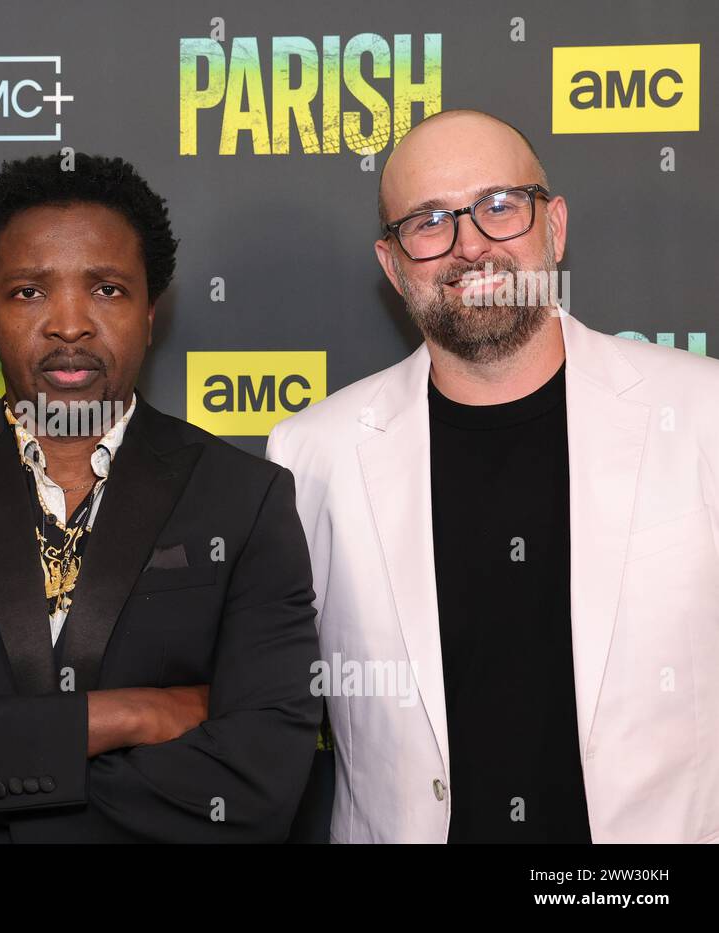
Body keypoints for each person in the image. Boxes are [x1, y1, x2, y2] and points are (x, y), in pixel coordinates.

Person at [0, 153, 320, 842]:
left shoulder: (244, 499)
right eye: (28, 292)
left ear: (151, 313)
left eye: (106, 289)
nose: (69, 324)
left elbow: (258, 784)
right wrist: (128, 715)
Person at [267, 109, 719, 843]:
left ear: (555, 227)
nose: (470, 244)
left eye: (500, 207)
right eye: (429, 220)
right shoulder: (310, 454)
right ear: (392, 263)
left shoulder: (705, 413)